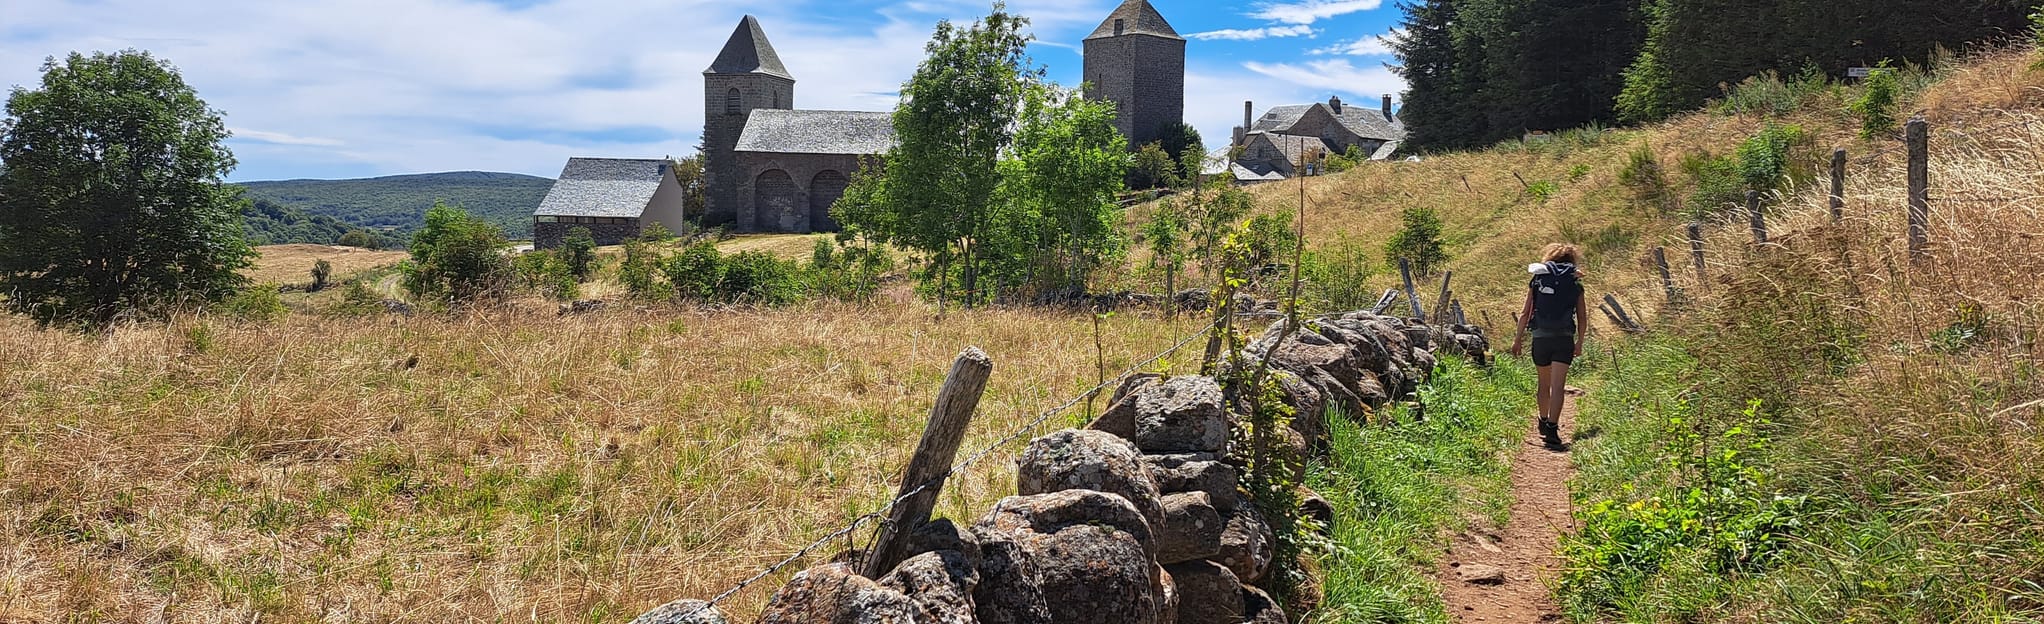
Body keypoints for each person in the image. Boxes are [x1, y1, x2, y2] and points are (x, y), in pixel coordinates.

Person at [1510, 243, 1587, 449]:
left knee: (1543, 384)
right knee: (1558, 386)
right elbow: (1582, 317)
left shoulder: (1538, 280)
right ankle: (1552, 428)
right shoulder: (1575, 283)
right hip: (1564, 338)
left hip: (1541, 338)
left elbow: (1525, 313)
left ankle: (1543, 420)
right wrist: (1579, 342)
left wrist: (1517, 339)